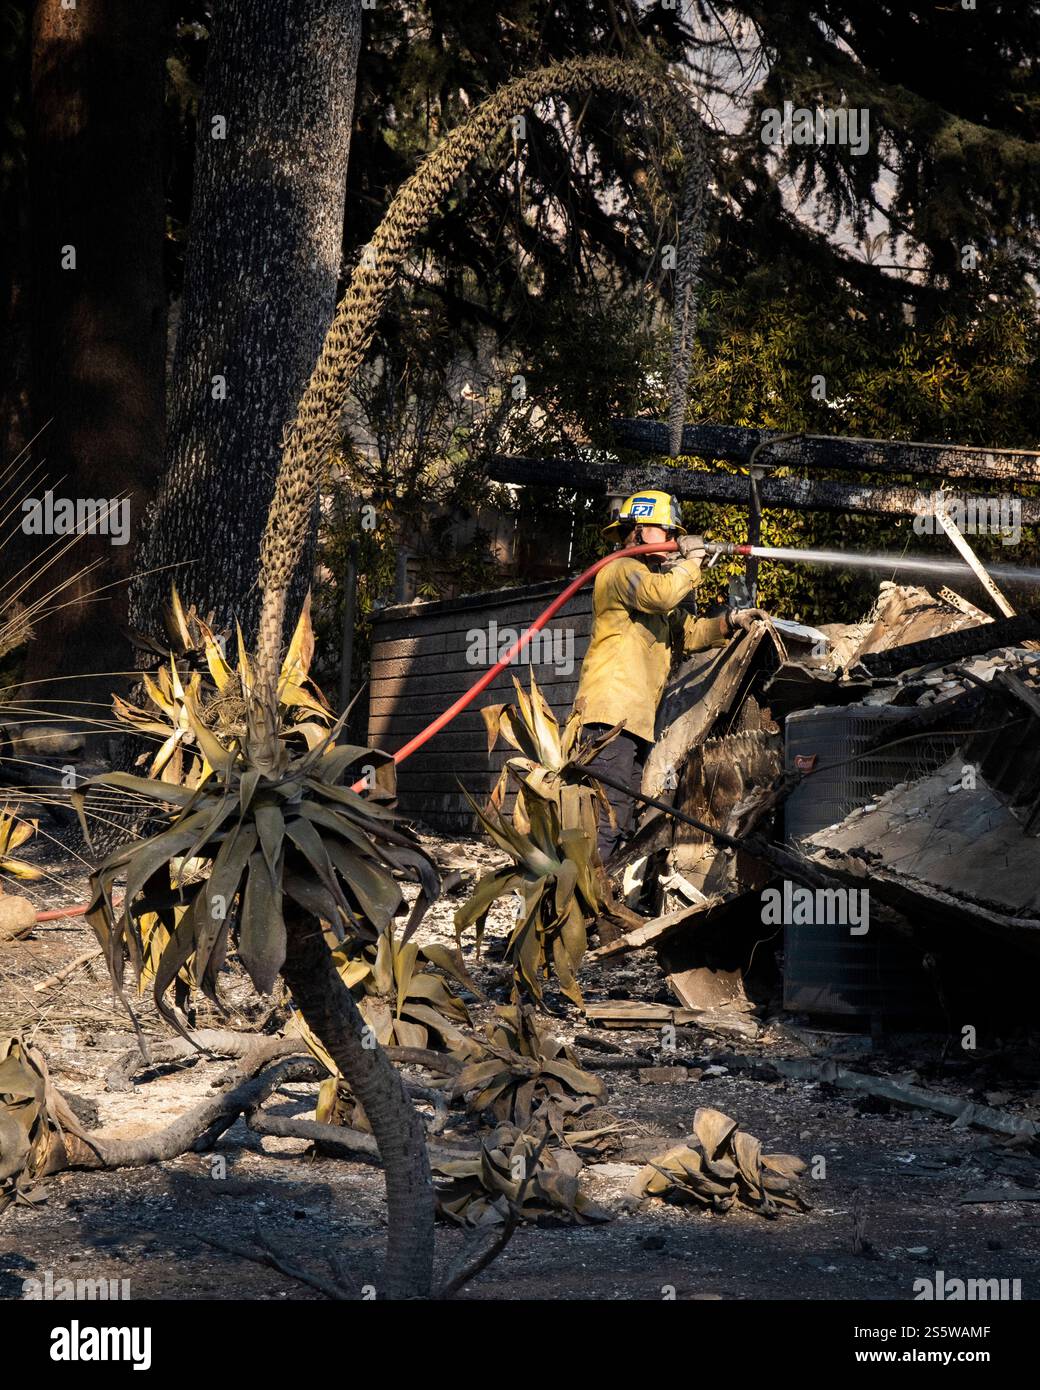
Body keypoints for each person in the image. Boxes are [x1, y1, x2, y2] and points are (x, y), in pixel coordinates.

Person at [574, 489, 767, 862]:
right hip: (607, 718)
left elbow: (689, 632)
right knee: (606, 820)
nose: (673, 540)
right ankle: (580, 905)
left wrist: (730, 622)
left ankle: (599, 898)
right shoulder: (620, 570)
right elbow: (661, 595)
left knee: (621, 818)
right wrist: (691, 561)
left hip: (632, 722)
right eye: (667, 531)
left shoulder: (651, 585)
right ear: (643, 530)